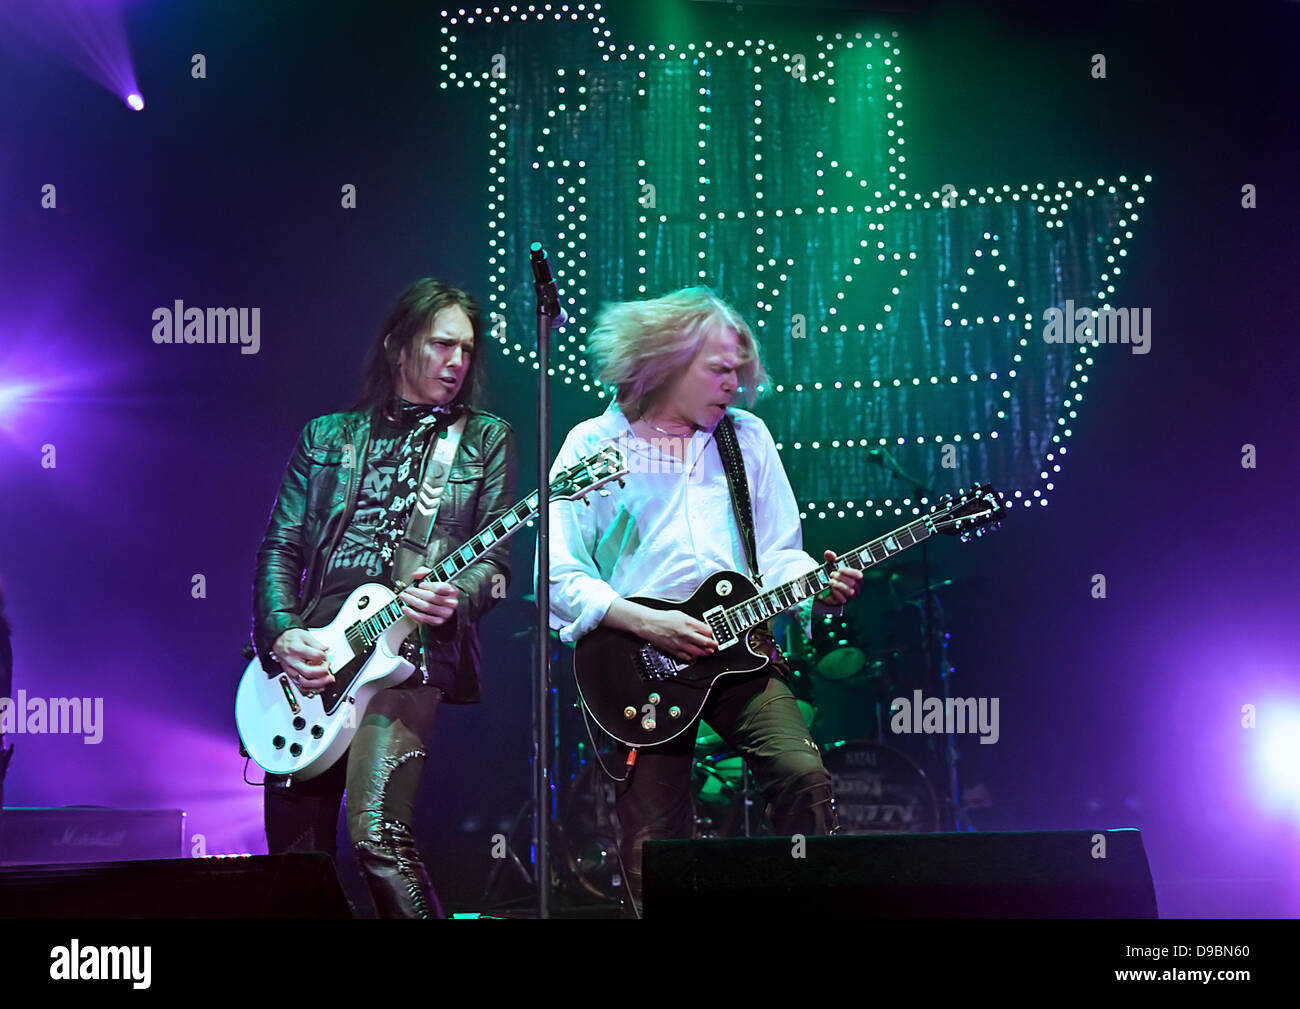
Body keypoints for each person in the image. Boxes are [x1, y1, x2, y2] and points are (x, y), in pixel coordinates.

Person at [546, 286, 863, 916]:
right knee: (652, 838)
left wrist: (814, 586)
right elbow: (556, 571)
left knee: (803, 777)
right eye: (719, 370)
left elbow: (778, 553)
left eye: (740, 372)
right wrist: (646, 622)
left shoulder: (747, 437)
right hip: (639, 665)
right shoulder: (592, 443)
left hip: (741, 648)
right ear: (667, 360)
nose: (734, 385)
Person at [251, 278, 516, 918]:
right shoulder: (326, 437)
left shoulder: (483, 440)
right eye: (441, 345)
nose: (457, 362)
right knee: (294, 861)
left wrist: (460, 597)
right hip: (312, 659)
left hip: (407, 657)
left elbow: (498, 565)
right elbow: (280, 549)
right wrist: (283, 632)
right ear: (399, 347)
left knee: (376, 837)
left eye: (467, 350)